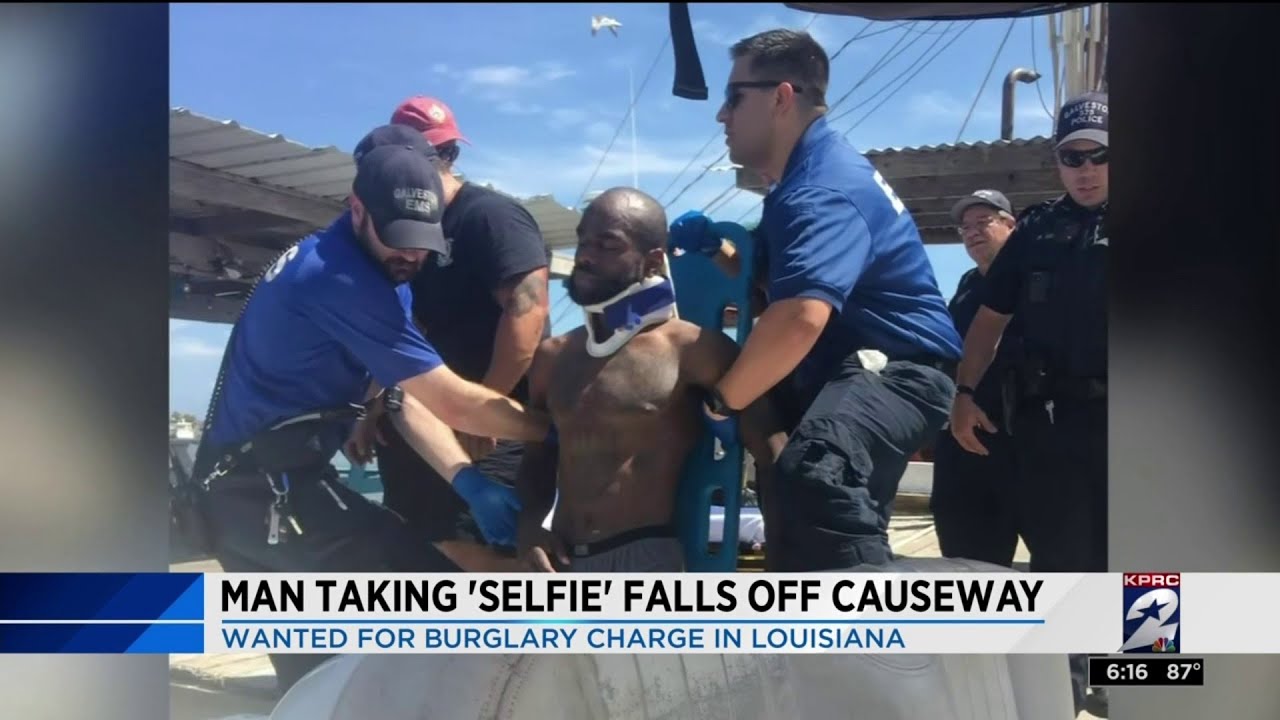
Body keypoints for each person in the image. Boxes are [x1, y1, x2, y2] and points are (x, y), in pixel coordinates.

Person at [185, 128, 546, 693]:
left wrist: (466, 478)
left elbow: (404, 396)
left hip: (267, 488)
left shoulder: (387, 278)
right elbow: (454, 401)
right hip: (262, 494)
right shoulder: (334, 276)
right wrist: (556, 426)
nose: (412, 254)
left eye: (423, 242)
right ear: (356, 209)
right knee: (432, 593)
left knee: (318, 685)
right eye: (398, 237)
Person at [670, 29, 961, 572]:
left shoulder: (822, 189)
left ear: (782, 97)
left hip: (897, 370)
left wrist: (724, 400)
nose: (721, 116)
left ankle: (878, 643)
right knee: (789, 491)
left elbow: (801, 317)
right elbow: (775, 290)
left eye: (734, 97)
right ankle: (810, 642)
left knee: (818, 473)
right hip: (844, 373)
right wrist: (720, 251)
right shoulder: (800, 184)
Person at [514, 188, 786, 573]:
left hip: (642, 559)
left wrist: (782, 561)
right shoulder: (552, 357)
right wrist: (528, 529)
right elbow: (537, 457)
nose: (585, 255)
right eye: (583, 241)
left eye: (608, 244)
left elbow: (772, 453)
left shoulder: (693, 350)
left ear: (653, 261)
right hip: (558, 560)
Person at [948, 92, 1109, 718]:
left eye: (1100, 155)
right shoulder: (1037, 230)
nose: (1087, 168)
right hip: (1059, 422)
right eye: (1073, 157)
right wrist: (963, 395)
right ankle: (1066, 693)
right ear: (1058, 162)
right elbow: (988, 323)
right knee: (1063, 560)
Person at [350, 96, 551, 552]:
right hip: (421, 429)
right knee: (421, 548)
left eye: (438, 157)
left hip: (490, 432)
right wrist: (370, 405)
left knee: (479, 555)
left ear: (448, 158)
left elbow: (528, 313)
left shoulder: (489, 216)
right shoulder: (395, 232)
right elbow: (398, 331)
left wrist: (481, 414)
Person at [929, 189, 1025, 567]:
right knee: (965, 558)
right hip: (963, 436)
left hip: (1024, 435)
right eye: (964, 227)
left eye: (982, 222)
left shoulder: (1040, 276)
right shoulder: (968, 283)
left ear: (1010, 224)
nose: (971, 232)